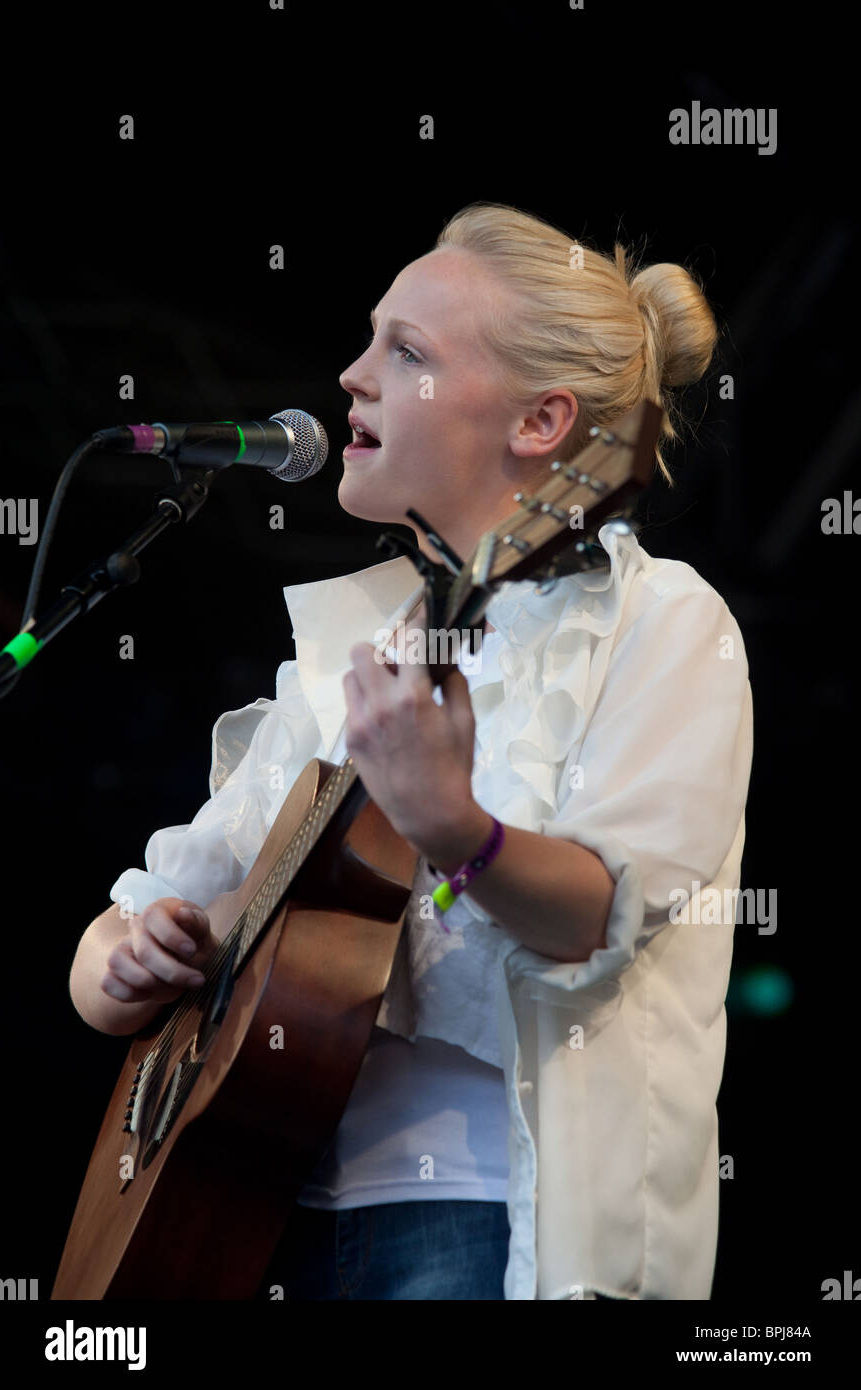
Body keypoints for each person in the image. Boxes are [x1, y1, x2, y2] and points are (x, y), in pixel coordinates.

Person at [68, 202, 753, 1300]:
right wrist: (128, 959)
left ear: (541, 421)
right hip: (252, 1223)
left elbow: (599, 917)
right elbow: (122, 937)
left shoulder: (657, 622)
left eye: (408, 352)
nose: (351, 376)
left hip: (487, 1223)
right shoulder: (353, 648)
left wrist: (451, 825)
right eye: (369, 340)